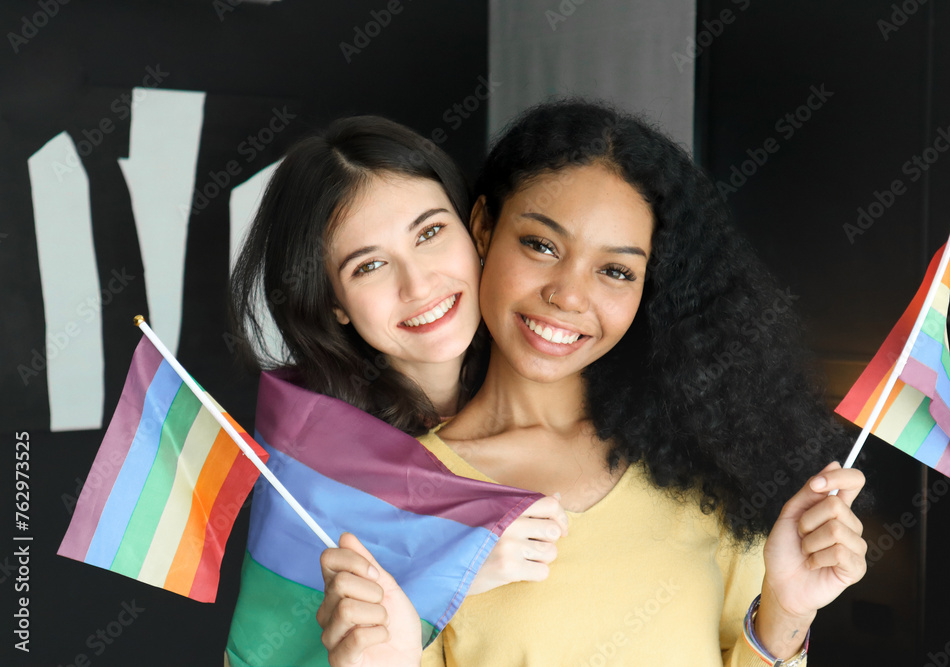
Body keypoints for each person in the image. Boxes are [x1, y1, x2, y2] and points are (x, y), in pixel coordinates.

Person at [315, 99, 869, 666]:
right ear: (483, 227)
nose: (570, 296)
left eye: (615, 271)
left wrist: (787, 612)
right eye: (542, 246)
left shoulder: (708, 459)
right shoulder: (396, 498)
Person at [224, 116, 569, 666]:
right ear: (333, 302)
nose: (418, 284)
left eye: (431, 233)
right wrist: (453, 566)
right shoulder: (313, 475)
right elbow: (271, 656)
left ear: (475, 230)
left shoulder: (573, 393)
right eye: (370, 266)